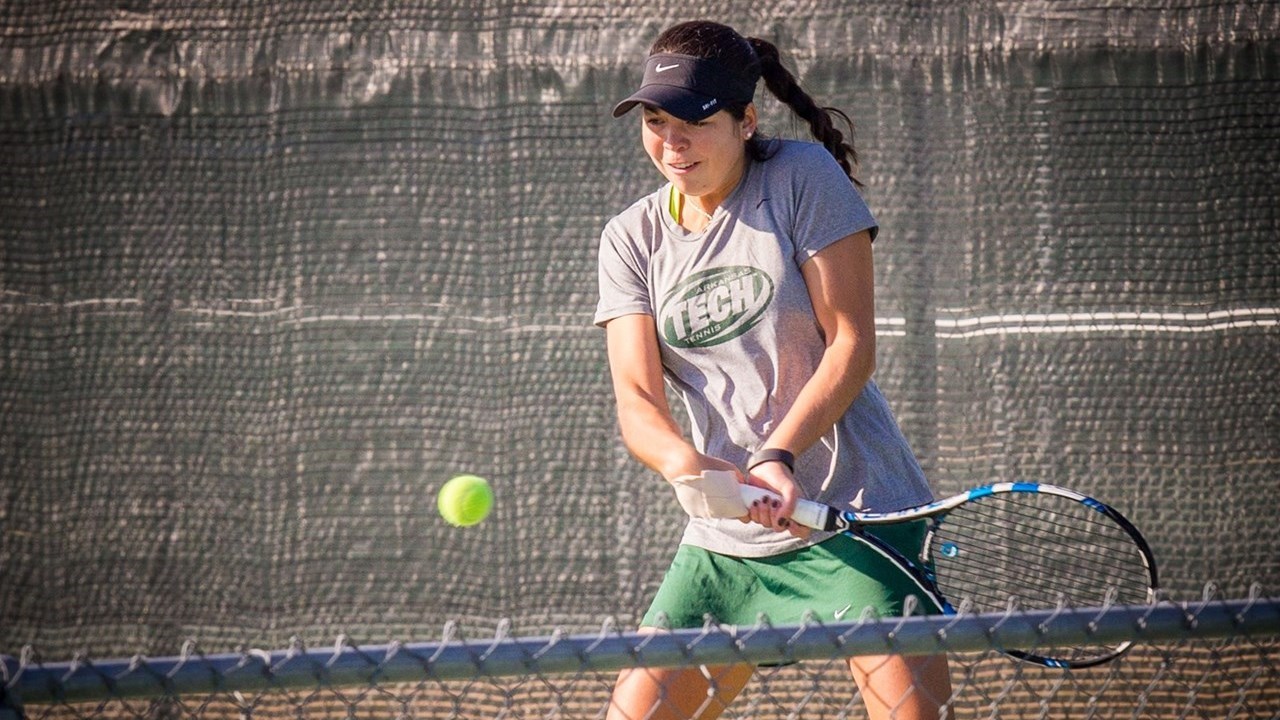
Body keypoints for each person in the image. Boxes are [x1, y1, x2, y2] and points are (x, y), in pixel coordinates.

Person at [593, 20, 952, 720]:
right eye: (657, 121)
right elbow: (637, 401)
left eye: (694, 121)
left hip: (856, 520)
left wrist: (776, 455)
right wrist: (693, 467)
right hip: (726, 542)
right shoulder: (630, 237)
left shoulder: (800, 177)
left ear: (746, 120)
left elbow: (851, 343)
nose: (672, 143)